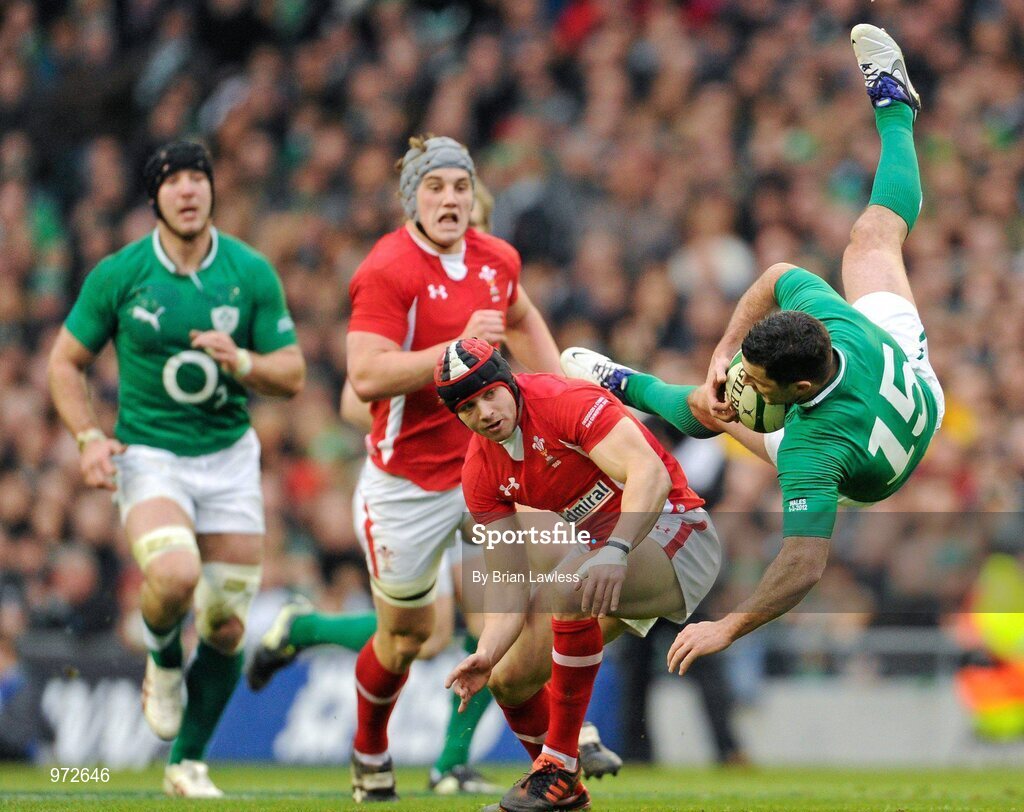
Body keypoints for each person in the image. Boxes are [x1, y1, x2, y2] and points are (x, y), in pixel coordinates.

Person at [560, 25, 944, 679]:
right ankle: (897, 109)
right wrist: (725, 349)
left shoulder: (809, 451)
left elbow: (803, 564)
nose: (748, 381)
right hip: (901, 369)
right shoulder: (835, 324)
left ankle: (624, 384)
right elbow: (775, 276)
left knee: (719, 415)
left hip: (878, 460)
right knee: (873, 236)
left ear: (796, 392)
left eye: (760, 382)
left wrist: (729, 625)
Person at [269, 134, 560, 803]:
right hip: (406, 486)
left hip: (487, 469)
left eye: (461, 186)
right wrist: (455, 353)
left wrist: (558, 395)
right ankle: (370, 746)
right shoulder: (387, 268)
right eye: (437, 187)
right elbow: (365, 374)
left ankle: (556, 766)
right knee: (407, 639)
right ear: (413, 198)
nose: (452, 199)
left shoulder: (497, 259)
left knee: (524, 623)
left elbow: (520, 316)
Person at [47, 140, 305, 797]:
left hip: (229, 458)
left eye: (198, 178)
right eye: (173, 180)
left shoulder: (249, 273)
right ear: (155, 196)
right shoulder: (121, 273)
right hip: (151, 455)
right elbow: (64, 363)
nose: (188, 190)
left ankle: (186, 763)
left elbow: (292, 374)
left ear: (213, 190)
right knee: (174, 573)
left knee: (225, 625)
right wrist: (87, 439)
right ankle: (163, 658)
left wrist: (243, 361)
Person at [437, 339, 722, 812]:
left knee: (568, 585)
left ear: (507, 381)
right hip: (603, 559)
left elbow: (648, 474)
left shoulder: (563, 401)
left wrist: (616, 549)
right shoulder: (480, 473)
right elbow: (508, 590)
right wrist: (484, 654)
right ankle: (565, 799)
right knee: (509, 679)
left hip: (676, 534)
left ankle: (560, 764)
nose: (484, 412)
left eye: (489, 393)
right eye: (467, 407)